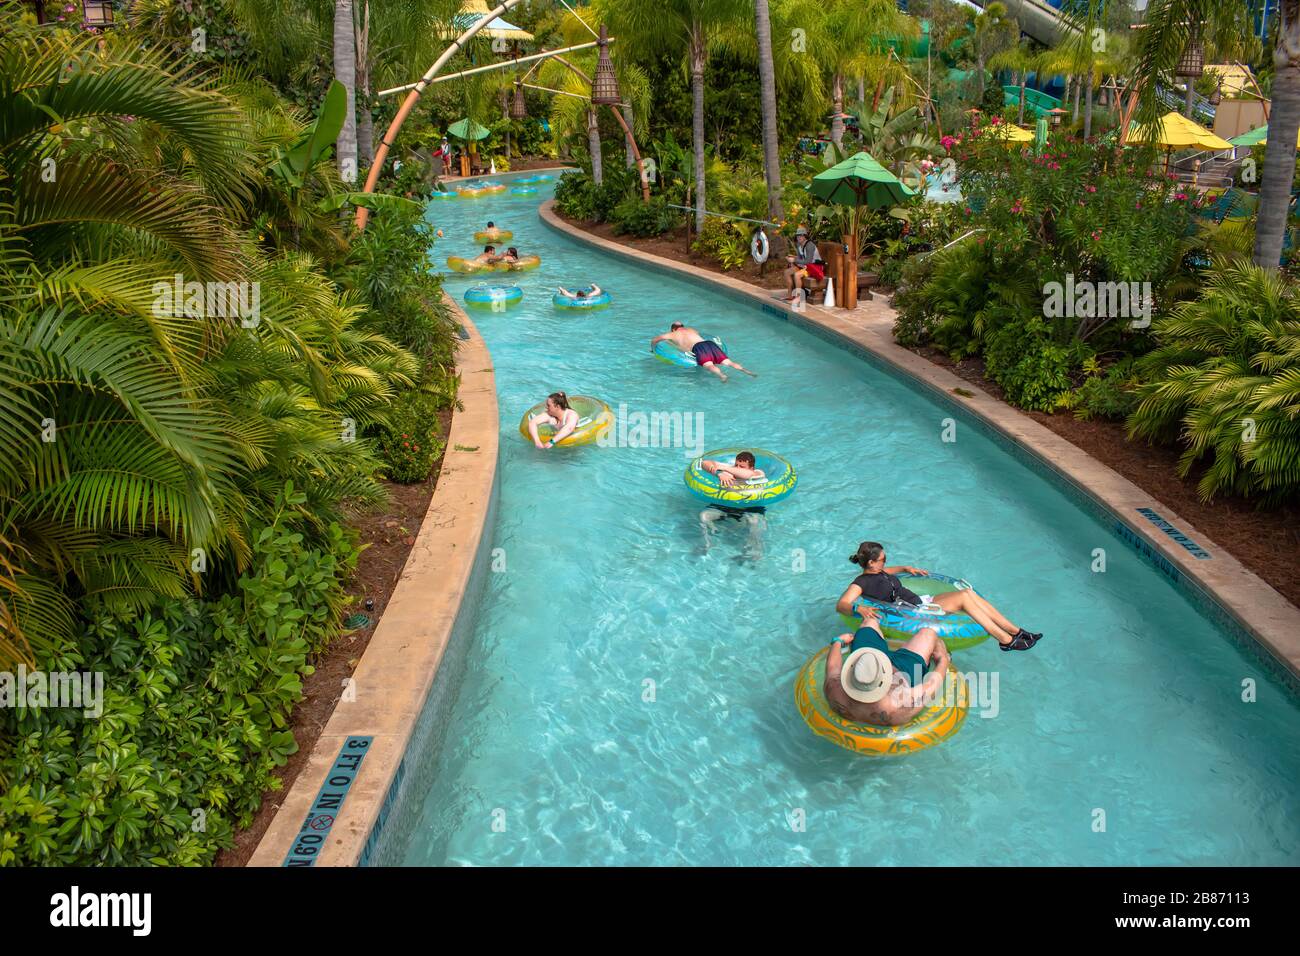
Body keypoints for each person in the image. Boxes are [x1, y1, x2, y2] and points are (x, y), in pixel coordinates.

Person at [835, 541, 1043, 651]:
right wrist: (858, 608)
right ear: (871, 563)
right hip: (915, 613)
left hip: (921, 601)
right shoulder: (861, 583)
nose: (885, 562)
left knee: (968, 593)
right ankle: (1005, 640)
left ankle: (1017, 631)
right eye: (883, 559)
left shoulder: (880, 571)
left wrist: (906, 567)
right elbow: (842, 604)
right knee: (963, 599)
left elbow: (890, 571)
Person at [823, 605, 951, 726]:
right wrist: (943, 659)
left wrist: (838, 642)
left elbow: (833, 667)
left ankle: (879, 636)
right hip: (905, 671)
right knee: (928, 632)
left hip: (870, 659)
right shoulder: (900, 705)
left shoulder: (835, 692)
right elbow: (932, 684)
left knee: (870, 621)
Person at [698, 451, 767, 558]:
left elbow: (748, 475)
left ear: (751, 467)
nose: (738, 468)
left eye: (742, 466)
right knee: (703, 516)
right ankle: (708, 544)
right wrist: (718, 473)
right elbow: (704, 463)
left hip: (749, 507)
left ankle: (753, 549)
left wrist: (724, 469)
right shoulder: (728, 470)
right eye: (736, 465)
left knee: (754, 522)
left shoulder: (758, 473)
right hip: (726, 506)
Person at [648, 322, 756, 382]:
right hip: (710, 343)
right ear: (682, 327)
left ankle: (722, 376)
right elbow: (701, 335)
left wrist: (653, 349)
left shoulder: (671, 334)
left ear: (673, 329)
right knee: (728, 362)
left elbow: (654, 340)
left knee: (709, 365)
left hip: (699, 348)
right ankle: (746, 371)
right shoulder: (691, 330)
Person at [784, 226, 825, 302]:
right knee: (787, 272)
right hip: (805, 266)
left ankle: (799, 297)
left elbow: (808, 261)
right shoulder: (799, 245)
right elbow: (800, 259)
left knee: (797, 275)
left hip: (814, 267)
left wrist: (794, 260)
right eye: (798, 235)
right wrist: (792, 259)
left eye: (801, 235)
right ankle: (790, 295)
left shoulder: (810, 245)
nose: (799, 237)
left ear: (805, 236)